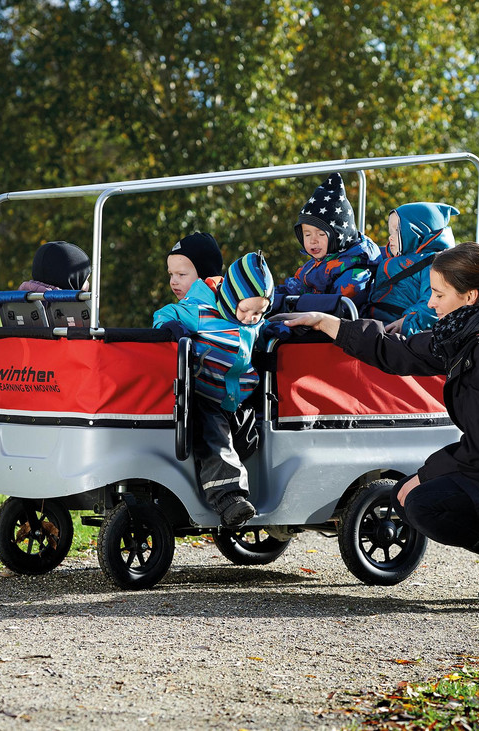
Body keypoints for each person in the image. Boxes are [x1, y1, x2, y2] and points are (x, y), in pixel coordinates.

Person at [285, 243, 479, 611]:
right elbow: (397, 351)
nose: (430, 303)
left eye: (438, 293)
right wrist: (329, 324)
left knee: (424, 502)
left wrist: (425, 474)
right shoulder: (471, 331)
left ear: (471, 296)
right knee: (419, 495)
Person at [153, 252, 276, 528]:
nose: (250, 317)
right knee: (214, 436)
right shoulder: (200, 311)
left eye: (258, 312)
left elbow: (266, 327)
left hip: (237, 400)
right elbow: (164, 313)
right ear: (231, 298)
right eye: (245, 310)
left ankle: (227, 475)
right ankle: (229, 499)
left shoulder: (254, 320)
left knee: (249, 440)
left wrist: (280, 329)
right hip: (205, 396)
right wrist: (170, 328)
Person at [275, 172, 383, 309]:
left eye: (320, 234)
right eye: (307, 235)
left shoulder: (356, 270)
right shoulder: (321, 261)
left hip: (330, 323)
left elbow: (339, 308)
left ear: (339, 235)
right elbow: (295, 287)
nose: (312, 241)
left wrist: (294, 305)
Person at [364, 202, 459, 335]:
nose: (390, 237)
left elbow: (432, 301)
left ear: (418, 230)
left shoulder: (434, 264)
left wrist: (407, 322)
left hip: (398, 330)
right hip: (374, 321)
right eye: (390, 231)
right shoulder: (393, 257)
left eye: (397, 230)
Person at [166, 231, 225, 300]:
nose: (173, 282)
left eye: (181, 274)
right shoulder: (183, 308)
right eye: (171, 274)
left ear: (206, 277)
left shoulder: (231, 307)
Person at [18, 240, 91, 292]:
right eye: (86, 279)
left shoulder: (20, 302)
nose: (88, 284)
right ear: (73, 280)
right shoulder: (68, 311)